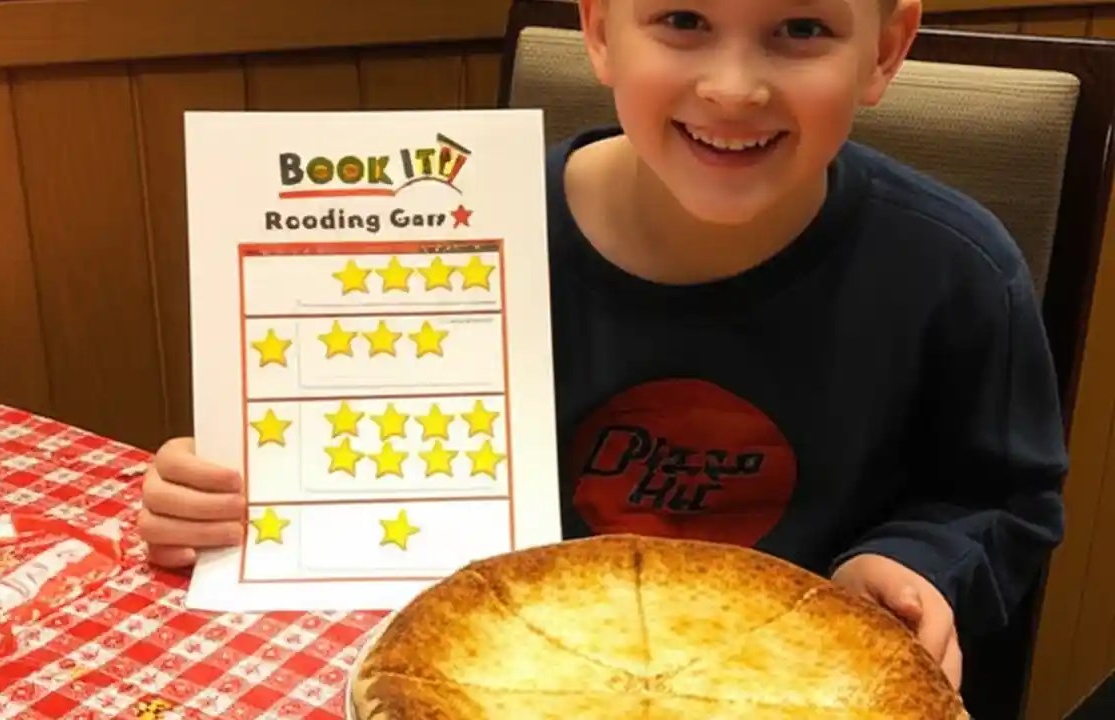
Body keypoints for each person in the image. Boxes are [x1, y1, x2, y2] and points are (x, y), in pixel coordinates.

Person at [138, 0, 1068, 693]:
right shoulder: (448, 254)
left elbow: (999, 496)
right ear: (597, 30)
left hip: (793, 689)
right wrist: (233, 499)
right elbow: (343, 453)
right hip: (507, 679)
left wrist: (919, 563)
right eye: (682, 20)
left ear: (888, 48)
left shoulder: (955, 271)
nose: (734, 86)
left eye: (800, 29)